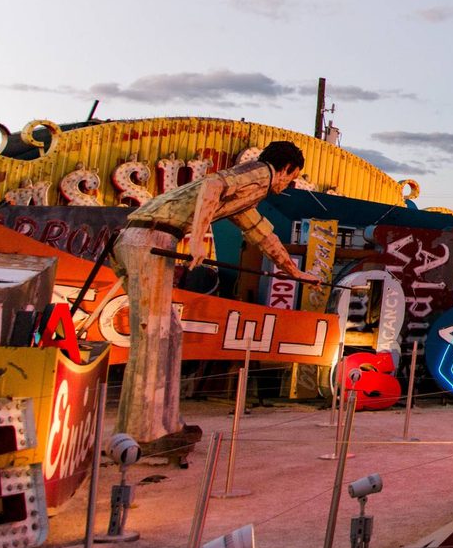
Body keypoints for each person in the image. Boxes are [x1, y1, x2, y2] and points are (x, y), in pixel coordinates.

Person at [113, 140, 320, 449]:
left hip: (148, 238)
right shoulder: (262, 173)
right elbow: (212, 184)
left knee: (168, 333)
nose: (289, 184)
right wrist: (197, 239)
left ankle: (164, 424)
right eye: (292, 177)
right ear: (286, 169)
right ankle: (144, 433)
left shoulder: (248, 195)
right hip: (150, 238)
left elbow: (262, 234)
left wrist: (294, 271)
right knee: (154, 334)